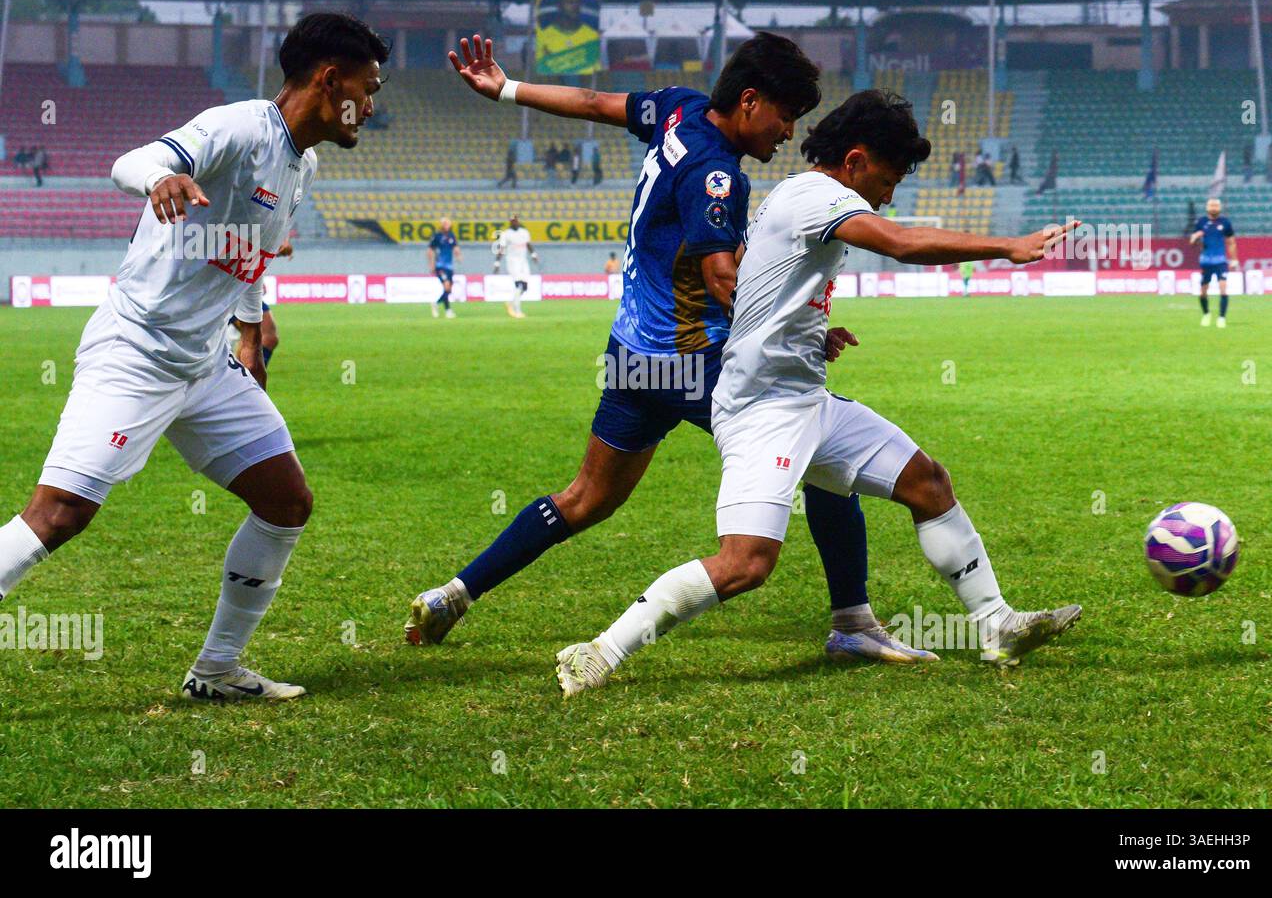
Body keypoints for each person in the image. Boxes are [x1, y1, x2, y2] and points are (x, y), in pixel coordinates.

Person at [555, 91, 1083, 695]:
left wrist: (808, 331)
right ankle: (599, 652)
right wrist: (1006, 247)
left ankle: (996, 626)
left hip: (806, 399)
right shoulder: (817, 196)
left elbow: (757, 284)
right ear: (854, 161)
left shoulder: (794, 197)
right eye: (885, 180)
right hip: (762, 411)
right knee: (745, 566)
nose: (887, 195)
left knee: (928, 483)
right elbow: (902, 243)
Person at [407, 34, 908, 666]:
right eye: (784, 116)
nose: (788, 132)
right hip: (695, 361)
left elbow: (592, 102)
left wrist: (507, 88)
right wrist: (804, 330)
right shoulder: (717, 176)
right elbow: (726, 279)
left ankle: (454, 593)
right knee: (820, 442)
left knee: (587, 498)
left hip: (632, 355)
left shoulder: (678, 107)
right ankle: (852, 623)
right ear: (751, 102)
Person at [0, 12, 389, 702]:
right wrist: (159, 179)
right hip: (138, 350)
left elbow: (250, 253)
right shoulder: (239, 127)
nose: (373, 103)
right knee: (58, 514)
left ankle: (215, 671)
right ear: (331, 80)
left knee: (285, 500)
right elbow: (132, 160)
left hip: (205, 364)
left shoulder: (305, 162)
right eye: (370, 86)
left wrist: (248, 331)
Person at [1189, 196, 1238, 328]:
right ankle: (1206, 314)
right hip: (1206, 261)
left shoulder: (1225, 223)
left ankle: (1221, 318)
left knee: (1223, 288)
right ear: (1207, 208)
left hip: (1221, 260)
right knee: (1203, 291)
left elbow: (1231, 242)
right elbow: (1192, 242)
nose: (1214, 208)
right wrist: (1195, 237)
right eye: (1211, 205)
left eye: (1216, 205)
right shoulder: (1201, 222)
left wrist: (1234, 259)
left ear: (1219, 208)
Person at [492, 215, 538, 319]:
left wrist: (533, 255)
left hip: (523, 261)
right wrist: (497, 263)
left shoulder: (524, 232)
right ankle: (517, 311)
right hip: (513, 262)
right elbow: (502, 249)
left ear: (518, 221)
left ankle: (510, 303)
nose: (515, 222)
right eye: (512, 221)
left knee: (524, 287)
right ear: (510, 222)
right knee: (519, 285)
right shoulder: (506, 234)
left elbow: (528, 244)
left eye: (516, 221)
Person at [428, 217, 461, 318]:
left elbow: (455, 247)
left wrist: (458, 254)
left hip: (449, 266)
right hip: (440, 265)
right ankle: (448, 311)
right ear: (442, 225)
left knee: (449, 289)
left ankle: (436, 303)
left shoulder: (451, 236)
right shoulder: (437, 236)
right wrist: (432, 264)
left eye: (448, 224)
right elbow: (430, 250)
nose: (447, 225)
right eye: (445, 223)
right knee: (446, 285)